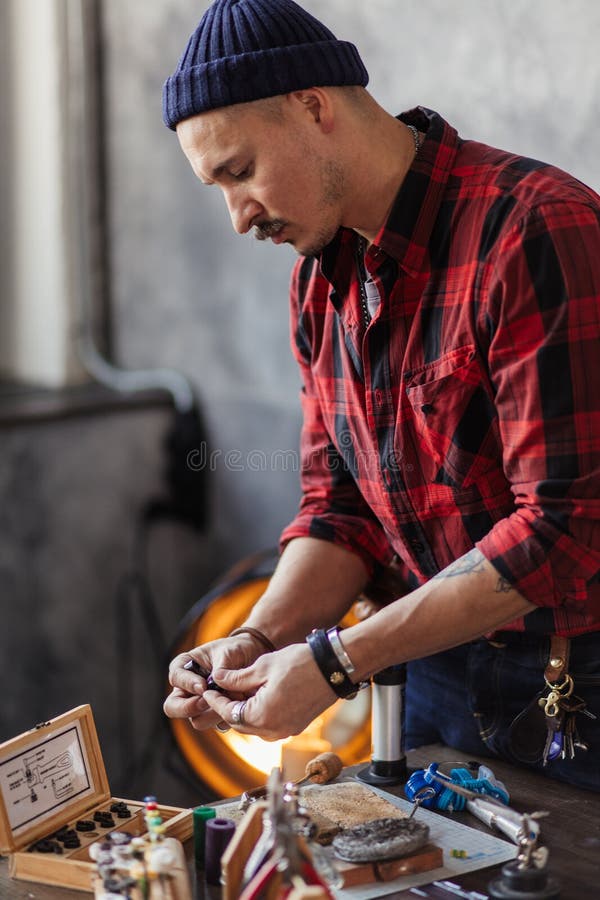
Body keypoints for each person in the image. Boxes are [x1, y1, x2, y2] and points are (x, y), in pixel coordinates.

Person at [162, 0, 600, 791]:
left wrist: (336, 661)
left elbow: (565, 529)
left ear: (314, 106)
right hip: (424, 675)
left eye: (240, 171)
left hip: (573, 689)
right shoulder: (315, 287)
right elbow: (341, 513)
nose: (237, 216)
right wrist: (262, 637)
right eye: (216, 186)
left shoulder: (536, 229)